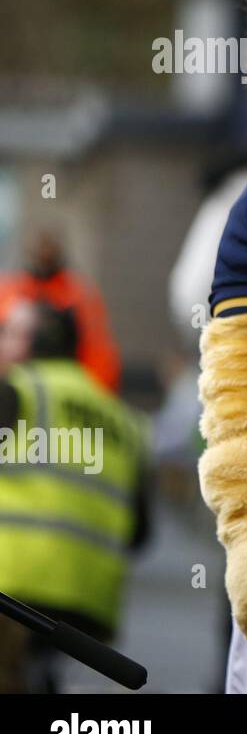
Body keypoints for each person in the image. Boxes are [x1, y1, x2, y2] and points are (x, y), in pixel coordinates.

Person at [0, 301, 149, 692]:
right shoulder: (123, 418)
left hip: (15, 587)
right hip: (92, 605)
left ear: (32, 345)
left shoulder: (17, 391)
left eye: (7, 335)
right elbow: (140, 533)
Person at [0, 230, 122, 393]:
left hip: (65, 387)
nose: (43, 252)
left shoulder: (79, 296)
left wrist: (94, 394)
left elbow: (98, 350)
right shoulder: (10, 291)